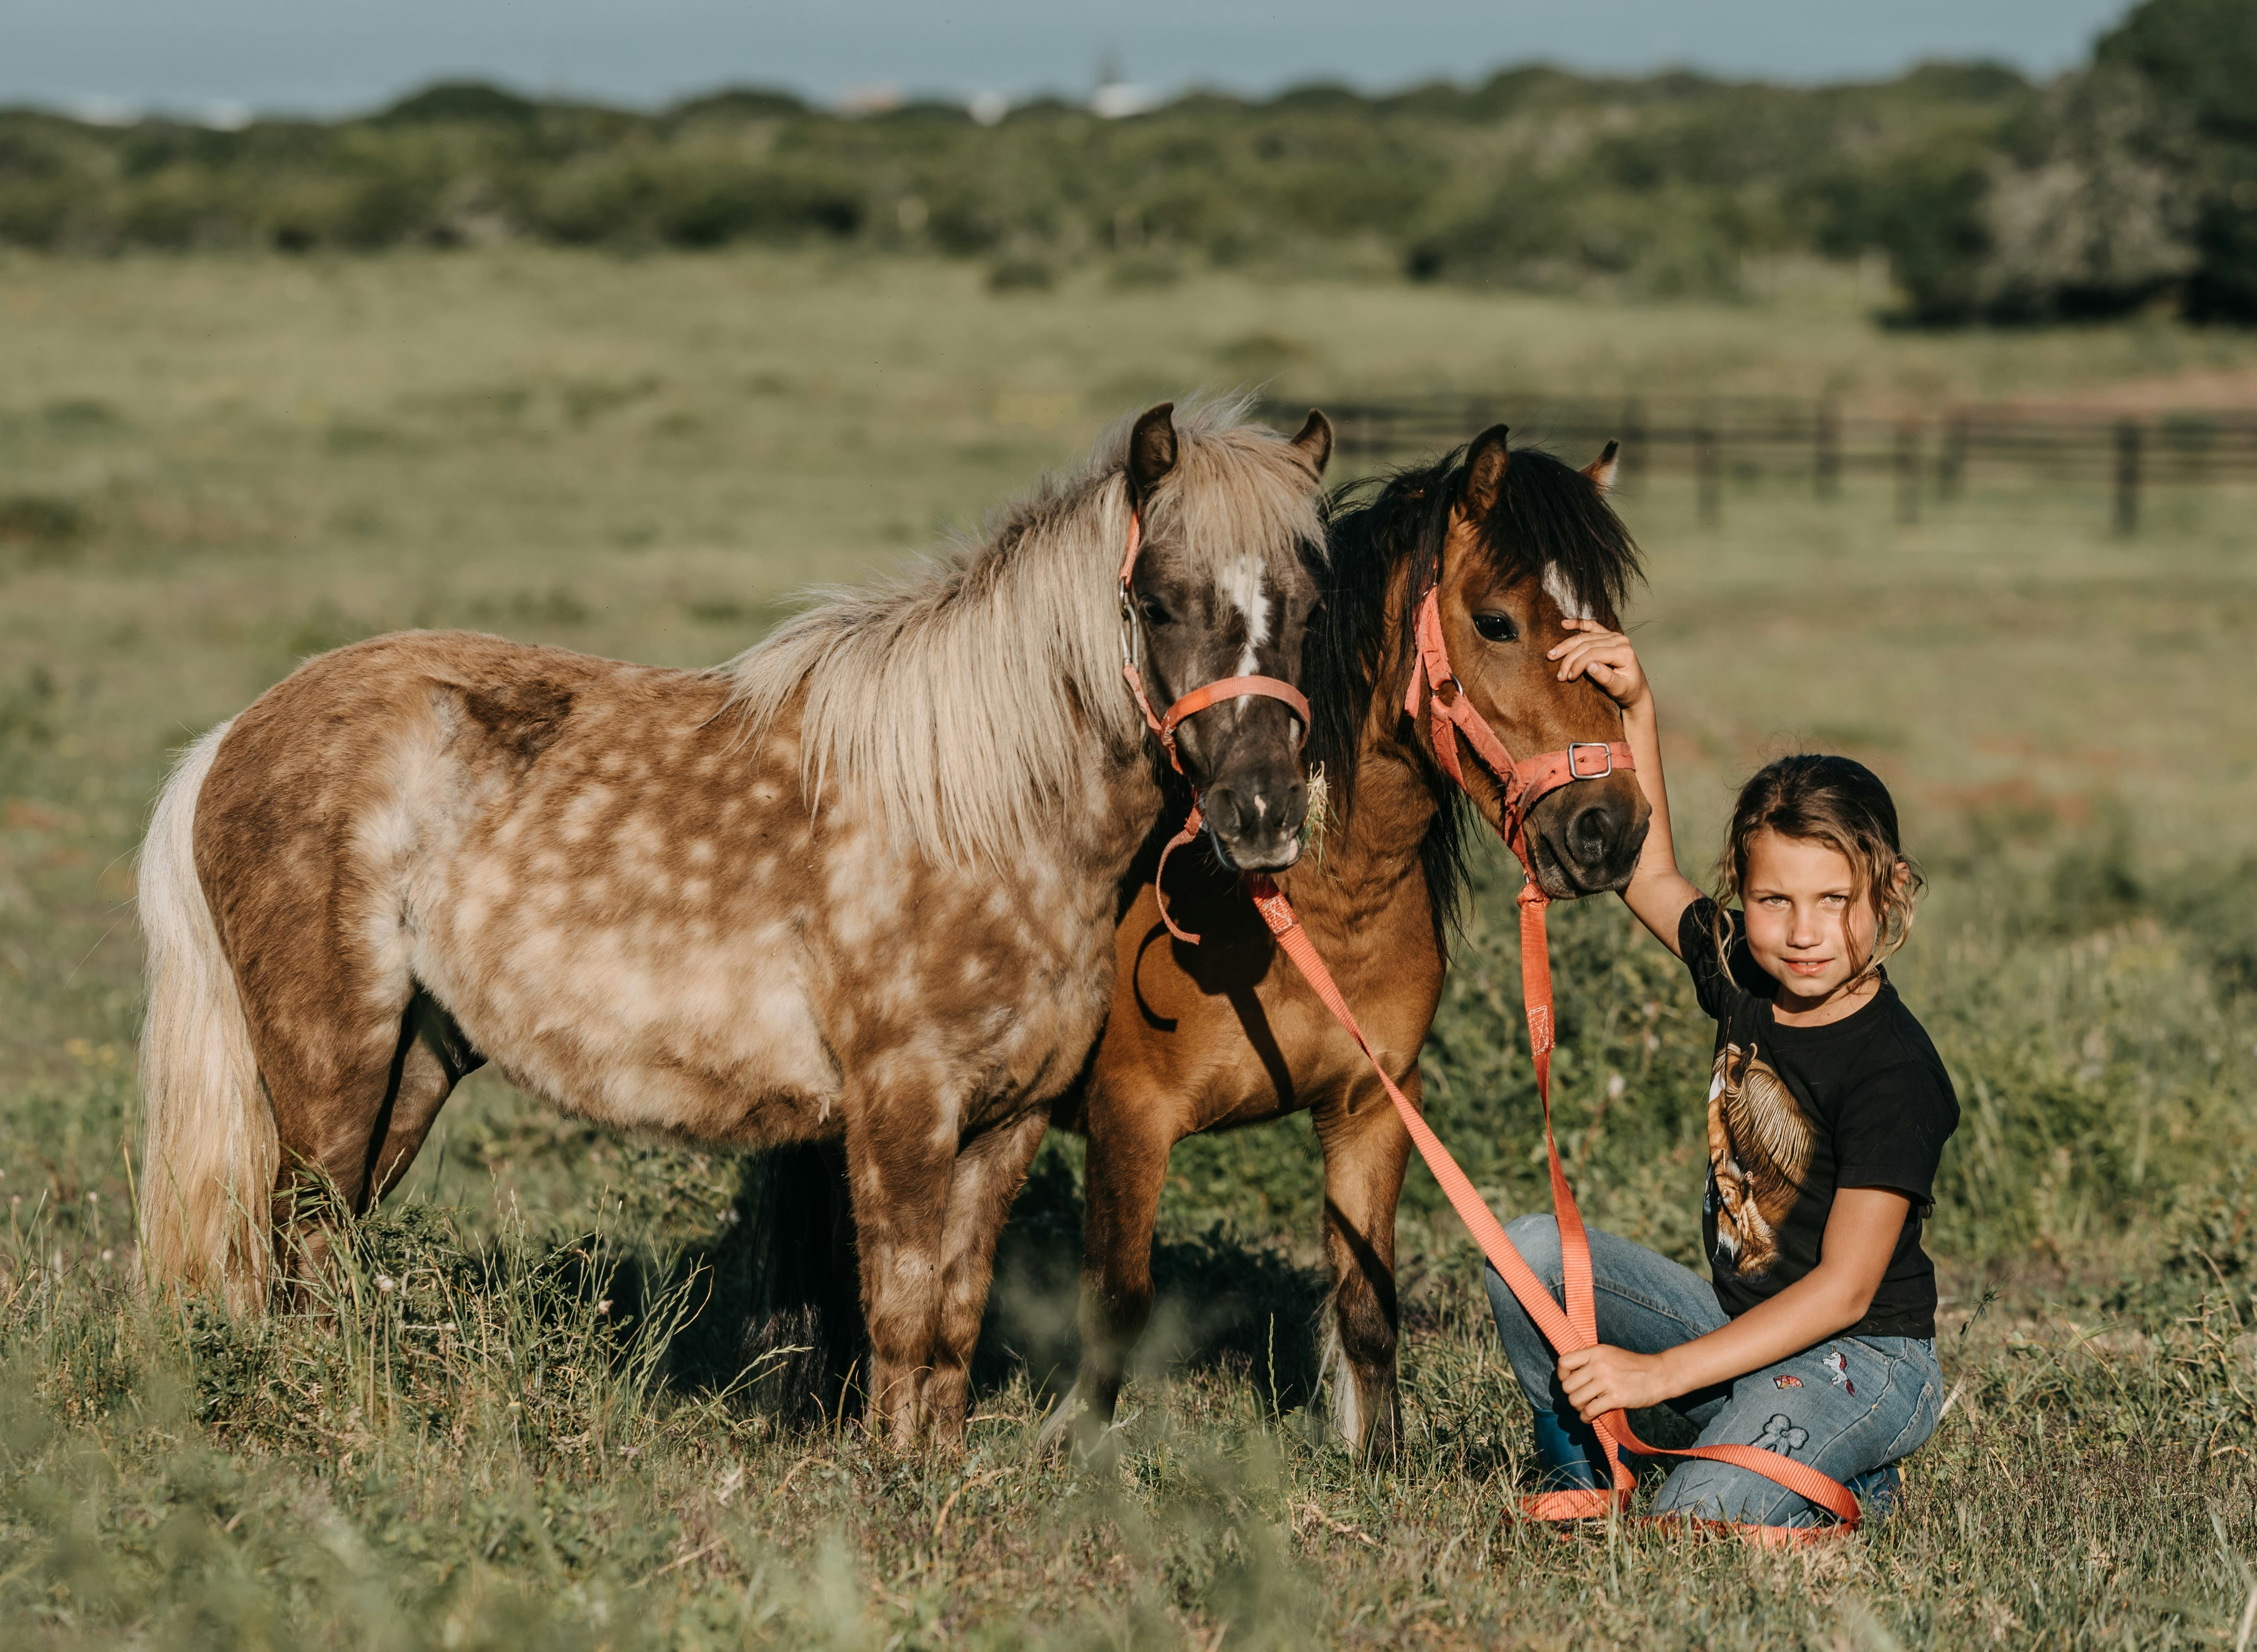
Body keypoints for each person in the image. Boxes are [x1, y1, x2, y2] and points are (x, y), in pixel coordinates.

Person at [1483, 617, 1959, 1531]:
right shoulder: (1745, 972)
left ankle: (1854, 1481)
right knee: (1529, 1255)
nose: (1804, 931)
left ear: (1890, 892)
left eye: (1835, 901)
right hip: (1740, 1333)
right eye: (1774, 900)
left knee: (1695, 1527)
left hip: (1861, 1358)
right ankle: (1589, 1462)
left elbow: (1846, 1291)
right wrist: (1639, 707)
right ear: (1741, 894)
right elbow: (1647, 871)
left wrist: (1657, 1373)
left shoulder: (1894, 1070)